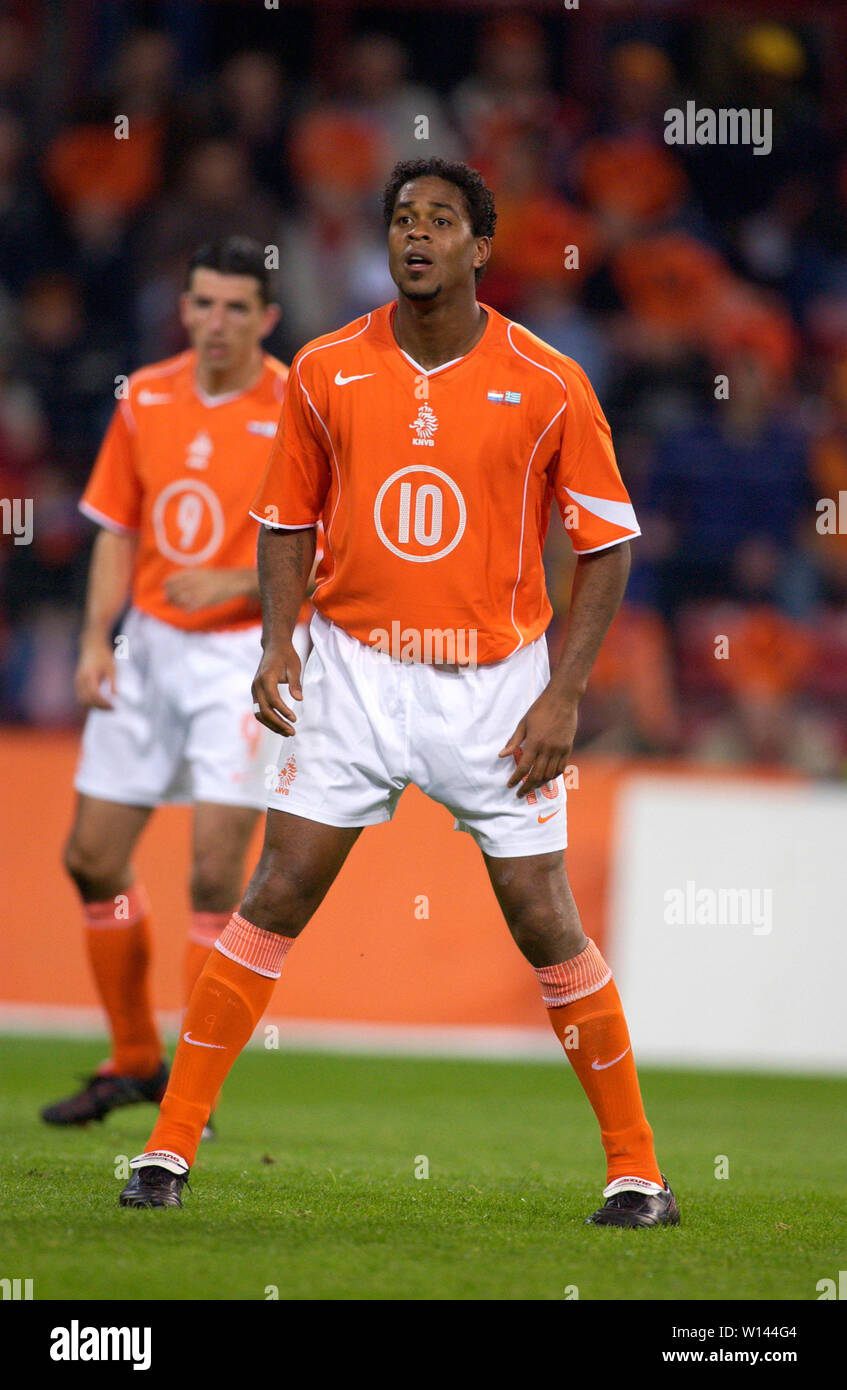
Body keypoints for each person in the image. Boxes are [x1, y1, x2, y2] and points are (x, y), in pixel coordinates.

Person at [119, 159, 679, 1228]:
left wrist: (563, 695)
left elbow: (604, 547)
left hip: (494, 685)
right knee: (276, 890)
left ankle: (637, 1171)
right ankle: (166, 1149)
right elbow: (286, 520)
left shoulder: (550, 377)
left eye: (440, 220)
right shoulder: (326, 369)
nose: (416, 235)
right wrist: (279, 644)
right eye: (401, 220)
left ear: (481, 246)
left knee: (541, 914)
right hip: (353, 671)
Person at [42, 237, 309, 1132]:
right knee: (92, 858)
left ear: (266, 318)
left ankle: (191, 1098)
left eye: (238, 307)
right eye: (204, 303)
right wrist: (95, 639)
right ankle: (133, 1058)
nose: (218, 323)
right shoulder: (146, 395)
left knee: (210, 875)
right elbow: (117, 526)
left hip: (242, 656)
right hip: (148, 646)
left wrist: (239, 583)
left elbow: (332, 543)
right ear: (184, 307)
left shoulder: (295, 403)